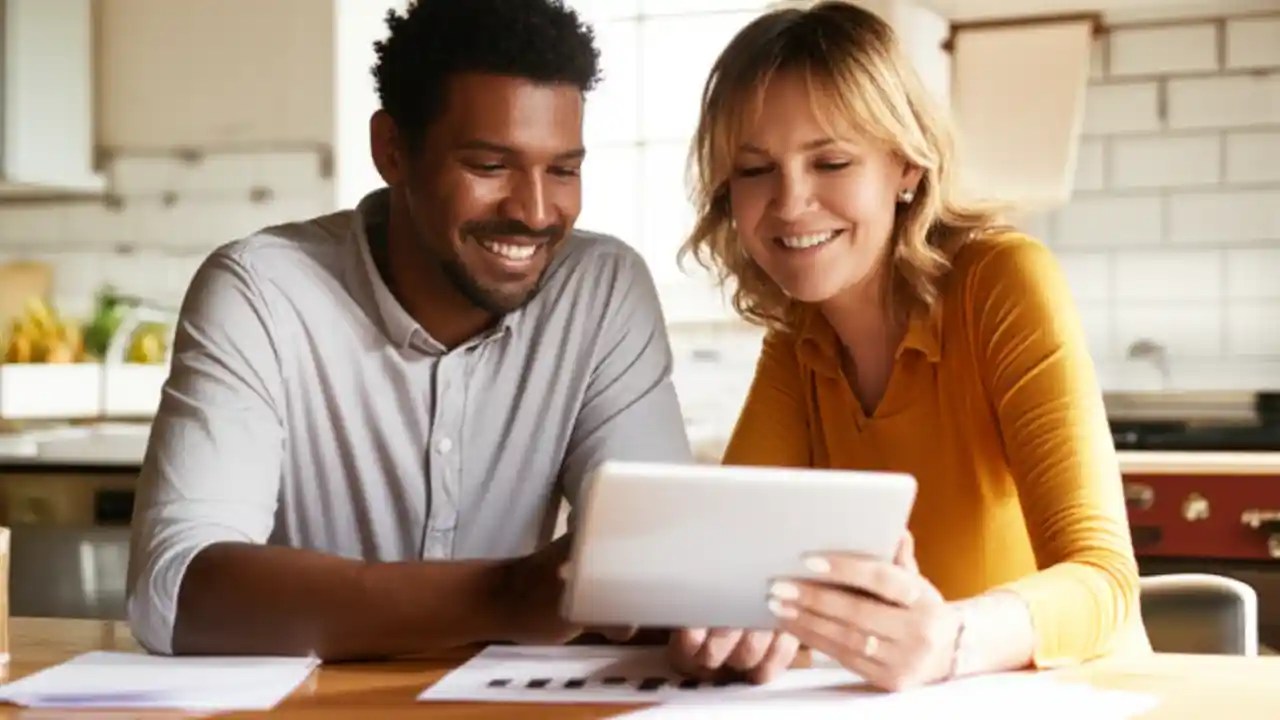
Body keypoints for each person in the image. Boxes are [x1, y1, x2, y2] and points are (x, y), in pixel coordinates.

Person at [126, 0, 692, 659]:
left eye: (563, 169)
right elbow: (172, 592)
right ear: (391, 149)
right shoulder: (261, 291)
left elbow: (660, 564)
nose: (536, 211)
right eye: (489, 166)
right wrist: (504, 596)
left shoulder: (600, 290)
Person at [668, 2, 1150, 691]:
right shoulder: (798, 337)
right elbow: (736, 560)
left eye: (830, 161)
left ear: (906, 169)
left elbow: (1106, 581)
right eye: (754, 171)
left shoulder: (1003, 282)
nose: (789, 202)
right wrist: (710, 625)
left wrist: (951, 637)